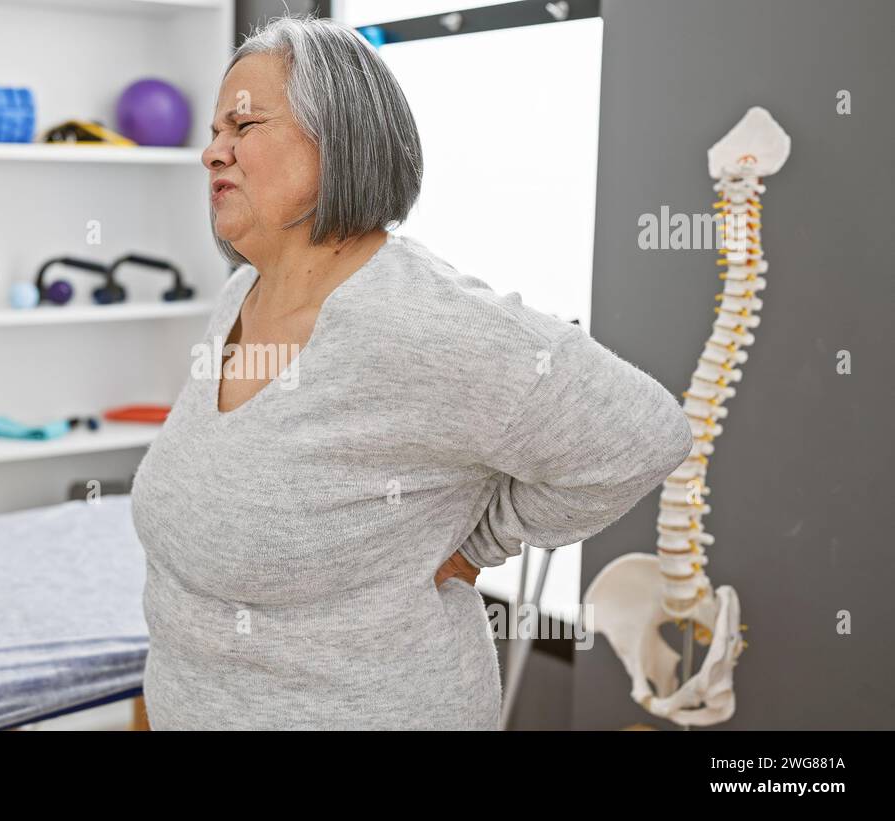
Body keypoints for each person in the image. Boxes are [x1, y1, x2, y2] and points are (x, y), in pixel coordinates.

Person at [130, 15, 694, 730]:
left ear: (338, 136)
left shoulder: (419, 321)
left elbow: (644, 433)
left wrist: (478, 543)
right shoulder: (240, 294)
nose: (214, 152)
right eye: (213, 133)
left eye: (242, 127)